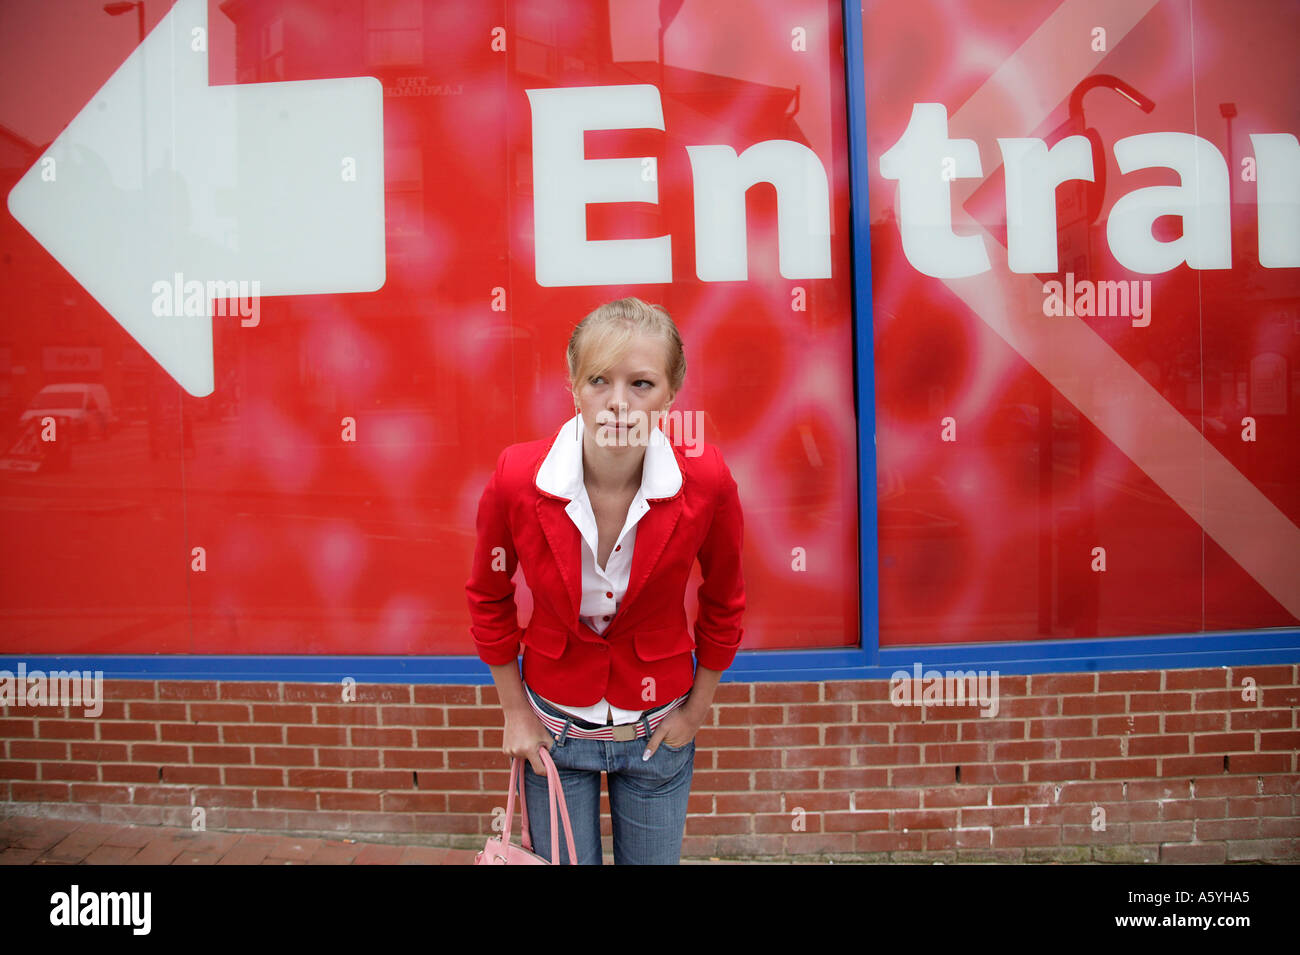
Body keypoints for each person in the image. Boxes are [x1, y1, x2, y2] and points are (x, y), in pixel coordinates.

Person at [465, 296, 746, 864]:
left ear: (671, 393)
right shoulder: (517, 476)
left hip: (658, 734)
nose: (618, 403)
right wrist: (514, 711)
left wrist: (696, 712)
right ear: (573, 385)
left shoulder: (706, 479)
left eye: (641, 383)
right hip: (553, 734)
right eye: (599, 380)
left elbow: (725, 599)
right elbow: (488, 596)